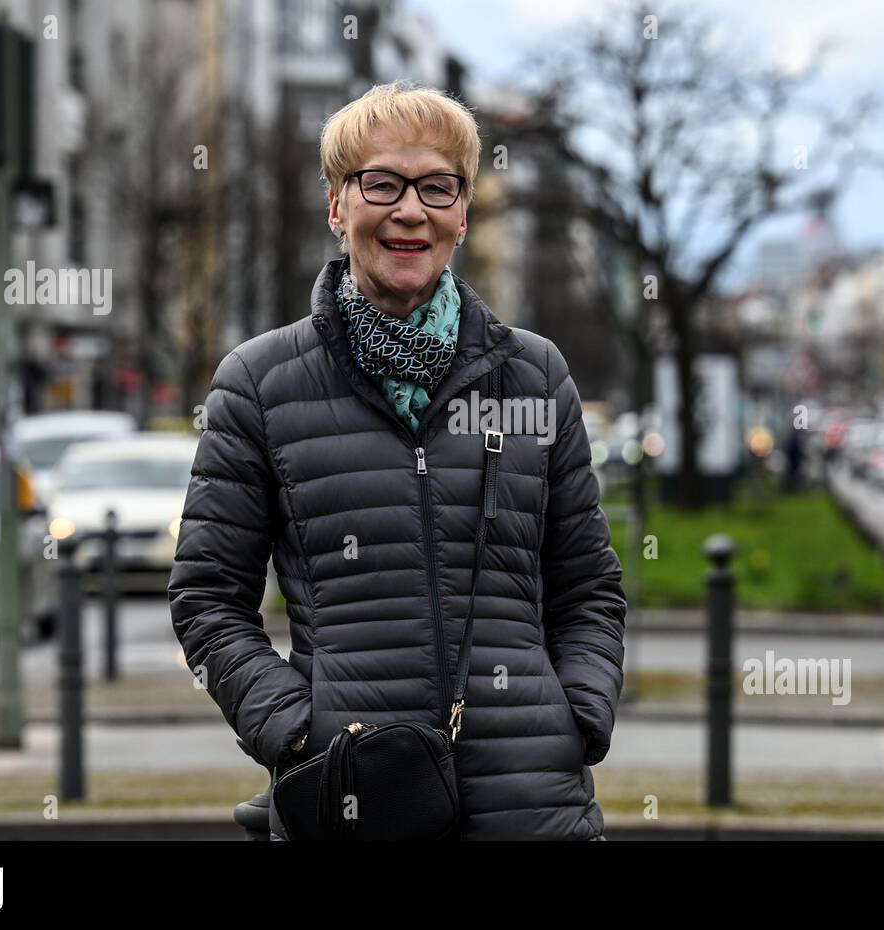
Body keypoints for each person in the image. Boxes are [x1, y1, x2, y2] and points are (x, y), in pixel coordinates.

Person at [168, 80, 626, 840]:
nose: (410, 210)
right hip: (355, 804)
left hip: (533, 808)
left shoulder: (536, 375)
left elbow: (588, 586)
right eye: (381, 183)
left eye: (437, 187)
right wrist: (295, 732)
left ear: (463, 213)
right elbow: (207, 601)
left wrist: (576, 713)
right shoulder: (259, 383)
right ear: (338, 207)